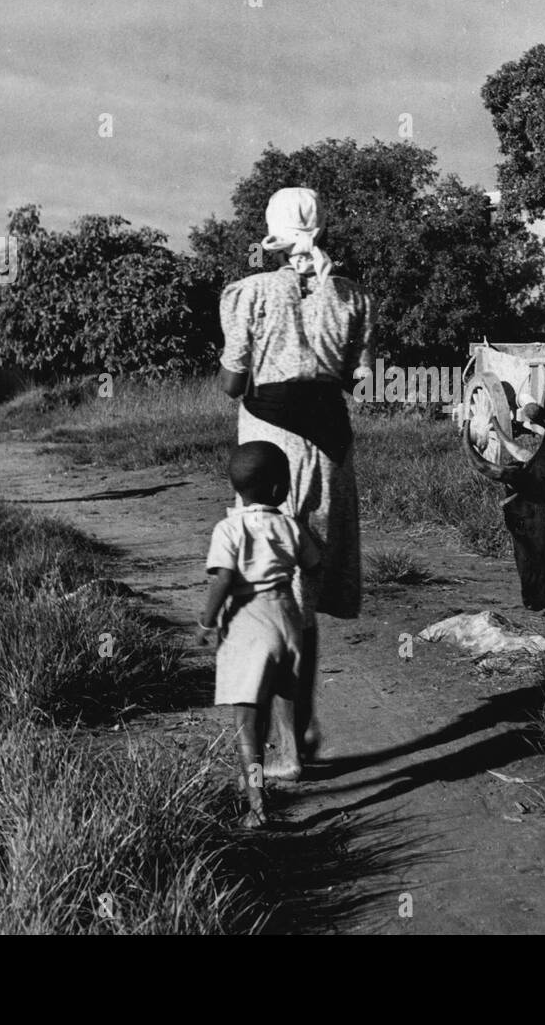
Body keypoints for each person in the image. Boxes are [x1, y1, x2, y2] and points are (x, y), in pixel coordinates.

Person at [217, 186, 373, 769]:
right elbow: (358, 380)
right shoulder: (354, 296)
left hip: (268, 446)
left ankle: (286, 750)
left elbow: (234, 383)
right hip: (331, 446)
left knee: (271, 589)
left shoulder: (249, 293)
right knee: (306, 584)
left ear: (273, 232)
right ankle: (301, 730)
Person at [198, 441, 321, 828]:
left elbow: (223, 579)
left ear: (238, 489)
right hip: (288, 621)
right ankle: (293, 756)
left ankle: (257, 805)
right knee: (283, 698)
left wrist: (206, 622)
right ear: (279, 491)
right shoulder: (290, 526)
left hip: (248, 627)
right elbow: (314, 563)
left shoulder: (228, 528)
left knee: (248, 726)